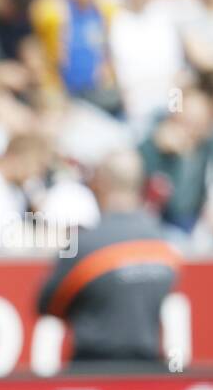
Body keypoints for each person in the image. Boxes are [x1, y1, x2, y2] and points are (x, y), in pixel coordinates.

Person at [37, 149, 181, 369]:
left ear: (101, 182)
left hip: (93, 371)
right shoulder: (164, 245)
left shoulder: (85, 245)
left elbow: (48, 304)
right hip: (148, 372)